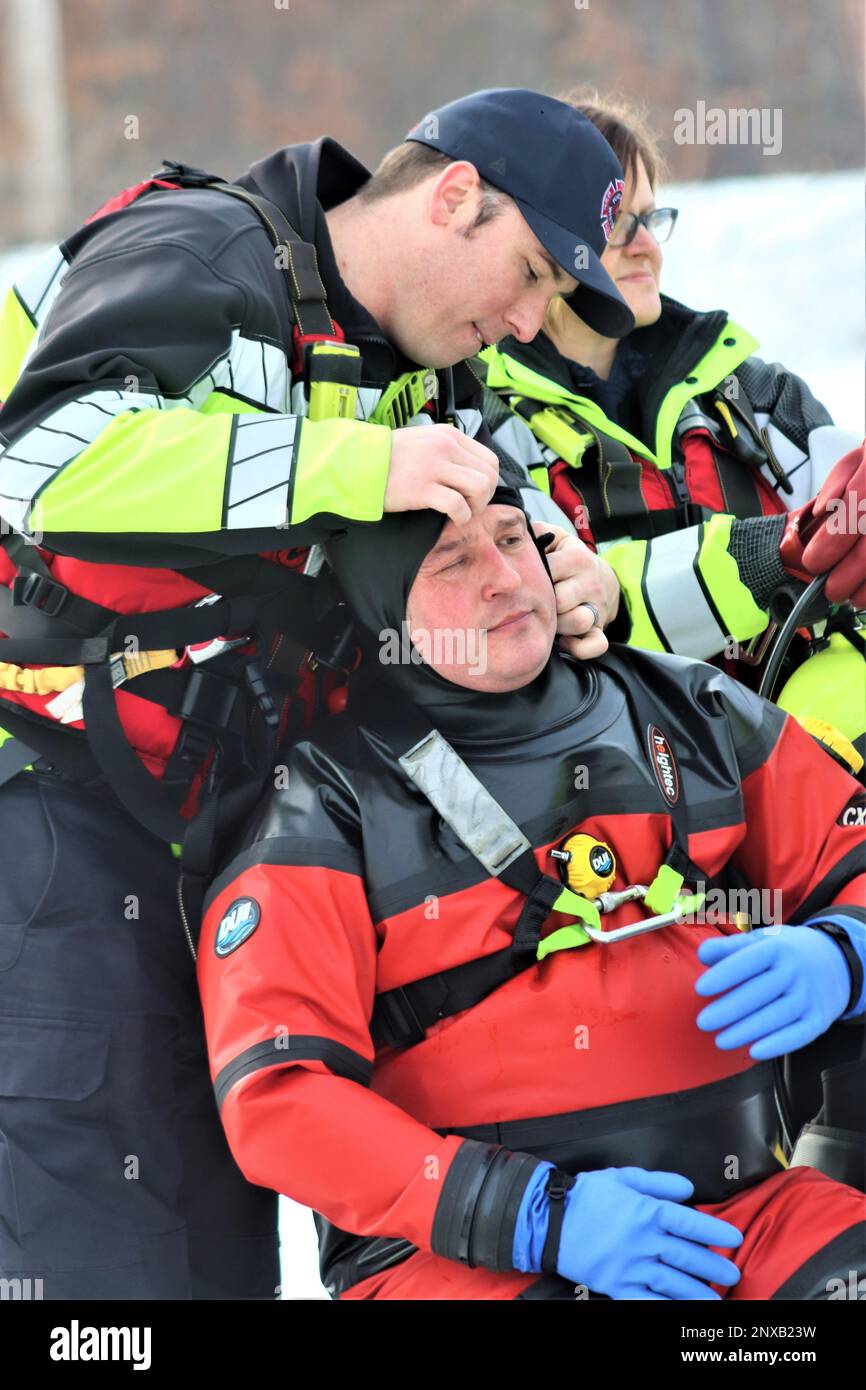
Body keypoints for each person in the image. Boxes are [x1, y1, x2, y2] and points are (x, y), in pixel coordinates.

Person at [0, 89, 634, 1299]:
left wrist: (565, 571)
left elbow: (500, 486)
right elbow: (38, 464)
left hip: (220, 830)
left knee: (214, 1228)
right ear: (453, 196)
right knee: (94, 1245)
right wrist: (352, 465)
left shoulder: (419, 361)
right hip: (55, 818)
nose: (521, 320)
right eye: (527, 276)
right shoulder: (199, 249)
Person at [197, 479, 866, 1300]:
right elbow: (278, 1096)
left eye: (515, 540)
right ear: (380, 611)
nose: (506, 578)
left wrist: (845, 951)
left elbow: (851, 855)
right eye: (452, 559)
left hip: (749, 1218)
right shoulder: (327, 800)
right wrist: (533, 1217)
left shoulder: (690, 709)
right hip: (467, 1264)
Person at [477, 93, 866, 768]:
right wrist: (774, 551)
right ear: (538, 237)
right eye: (616, 222)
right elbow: (565, 605)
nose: (646, 244)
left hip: (814, 729)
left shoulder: (755, 392)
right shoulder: (483, 422)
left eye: (652, 217)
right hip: (627, 763)